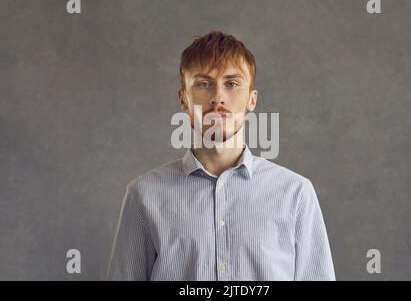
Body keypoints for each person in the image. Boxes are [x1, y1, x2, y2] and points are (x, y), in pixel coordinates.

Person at [107, 31, 335, 281]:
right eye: (204, 84)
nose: (218, 98)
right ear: (183, 99)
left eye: (232, 84)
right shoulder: (143, 195)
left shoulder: (296, 194)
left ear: (252, 99)